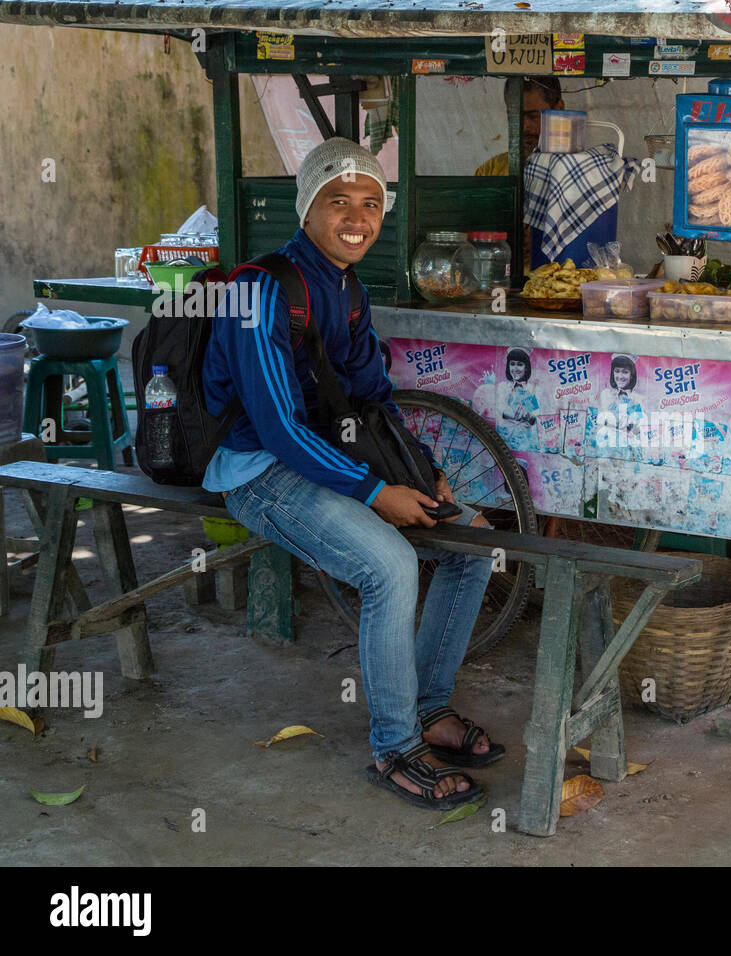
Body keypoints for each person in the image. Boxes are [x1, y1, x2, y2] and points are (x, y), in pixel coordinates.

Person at [202, 137, 502, 808]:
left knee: (473, 543)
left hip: (322, 461)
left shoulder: (348, 289)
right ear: (307, 210)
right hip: (258, 472)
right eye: (339, 202)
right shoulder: (258, 290)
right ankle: (396, 748)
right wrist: (373, 491)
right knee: (389, 566)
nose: (358, 218)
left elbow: (374, 399)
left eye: (371, 203)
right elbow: (279, 427)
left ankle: (427, 709)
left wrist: (421, 473)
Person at [474, 77, 565, 177]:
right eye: (514, 117)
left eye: (532, 116)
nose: (524, 127)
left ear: (558, 109)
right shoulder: (490, 172)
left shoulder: (575, 170)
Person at [495, 346, 543, 451]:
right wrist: (514, 414)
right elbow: (500, 408)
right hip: (503, 439)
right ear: (508, 366)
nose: (515, 369)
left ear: (526, 367)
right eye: (512, 364)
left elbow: (535, 416)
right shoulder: (502, 387)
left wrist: (529, 416)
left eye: (520, 364)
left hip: (524, 443)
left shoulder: (532, 389)